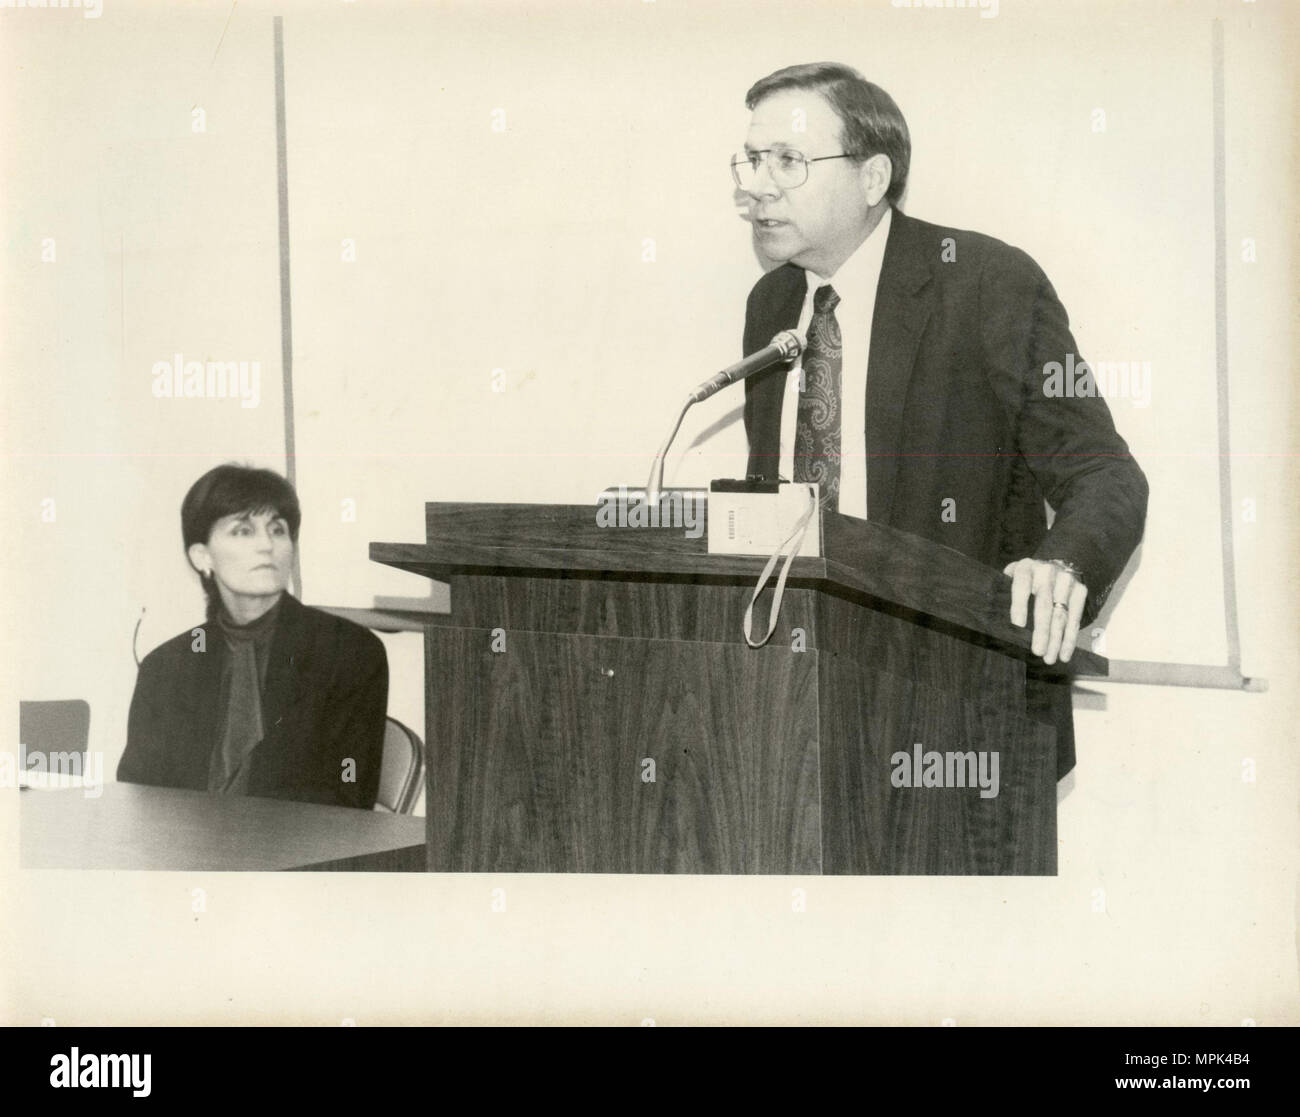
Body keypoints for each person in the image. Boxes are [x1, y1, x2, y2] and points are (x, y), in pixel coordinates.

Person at [734, 62, 1148, 779]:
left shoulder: (987, 282)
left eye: (788, 160)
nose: (758, 185)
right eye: (752, 160)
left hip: (962, 712)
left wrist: (1062, 564)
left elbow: (1102, 472)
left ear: (872, 177)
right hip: (799, 709)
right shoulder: (772, 305)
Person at [117, 464, 388, 808]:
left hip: (298, 842)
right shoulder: (165, 667)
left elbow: (349, 794)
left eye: (277, 530)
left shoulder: (349, 652)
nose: (266, 545)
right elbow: (139, 793)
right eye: (243, 531)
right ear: (202, 557)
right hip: (185, 839)